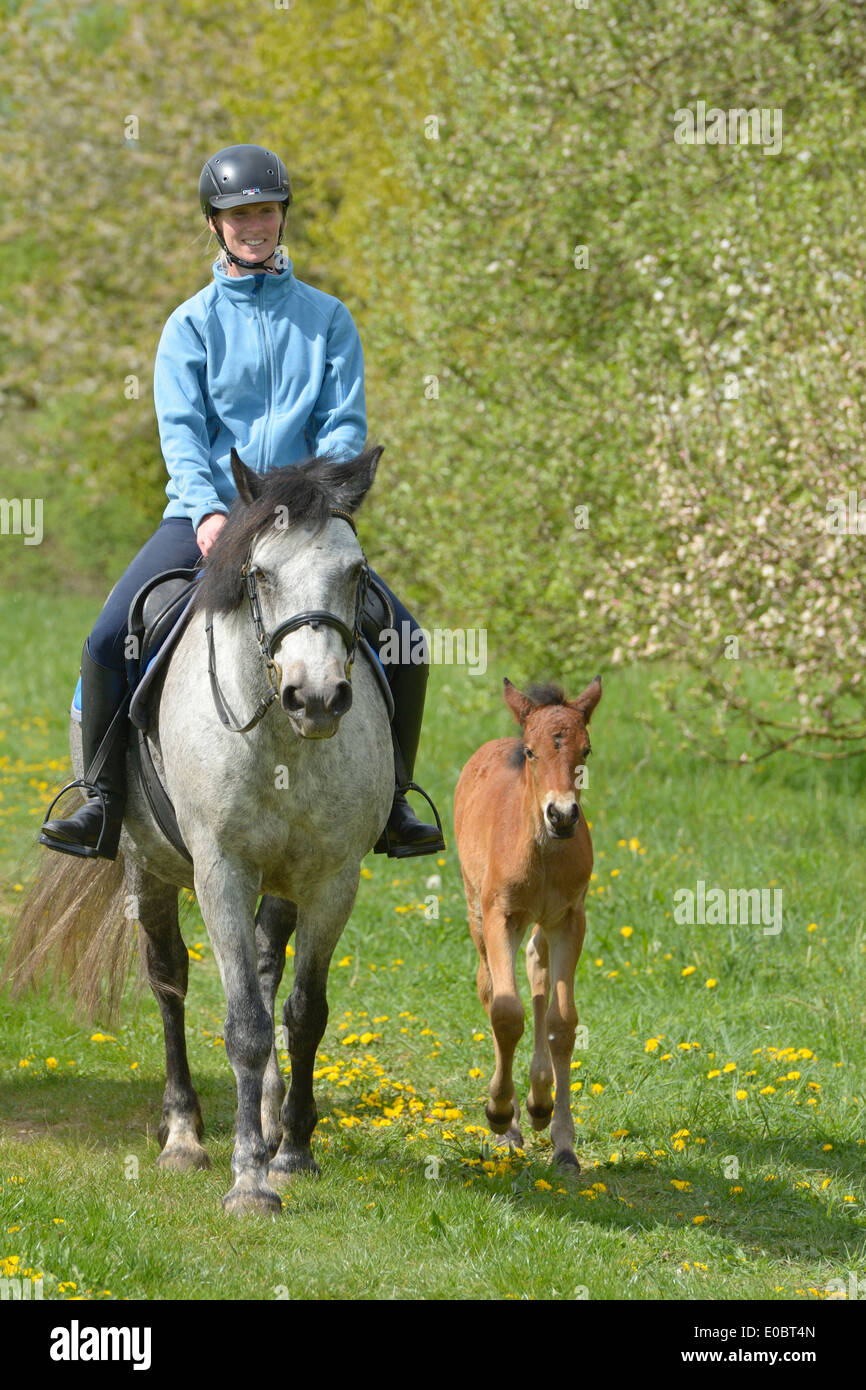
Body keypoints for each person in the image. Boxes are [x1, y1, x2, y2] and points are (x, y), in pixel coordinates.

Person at [40, 143, 444, 862]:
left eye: (264, 210)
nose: (254, 224)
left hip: (302, 521)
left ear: (281, 217)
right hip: (209, 518)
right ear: (215, 226)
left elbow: (345, 425)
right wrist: (208, 512)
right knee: (107, 636)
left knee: (407, 639)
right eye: (238, 214)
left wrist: (320, 499)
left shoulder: (328, 320)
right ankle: (100, 802)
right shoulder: (188, 326)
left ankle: (394, 802)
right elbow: (182, 435)